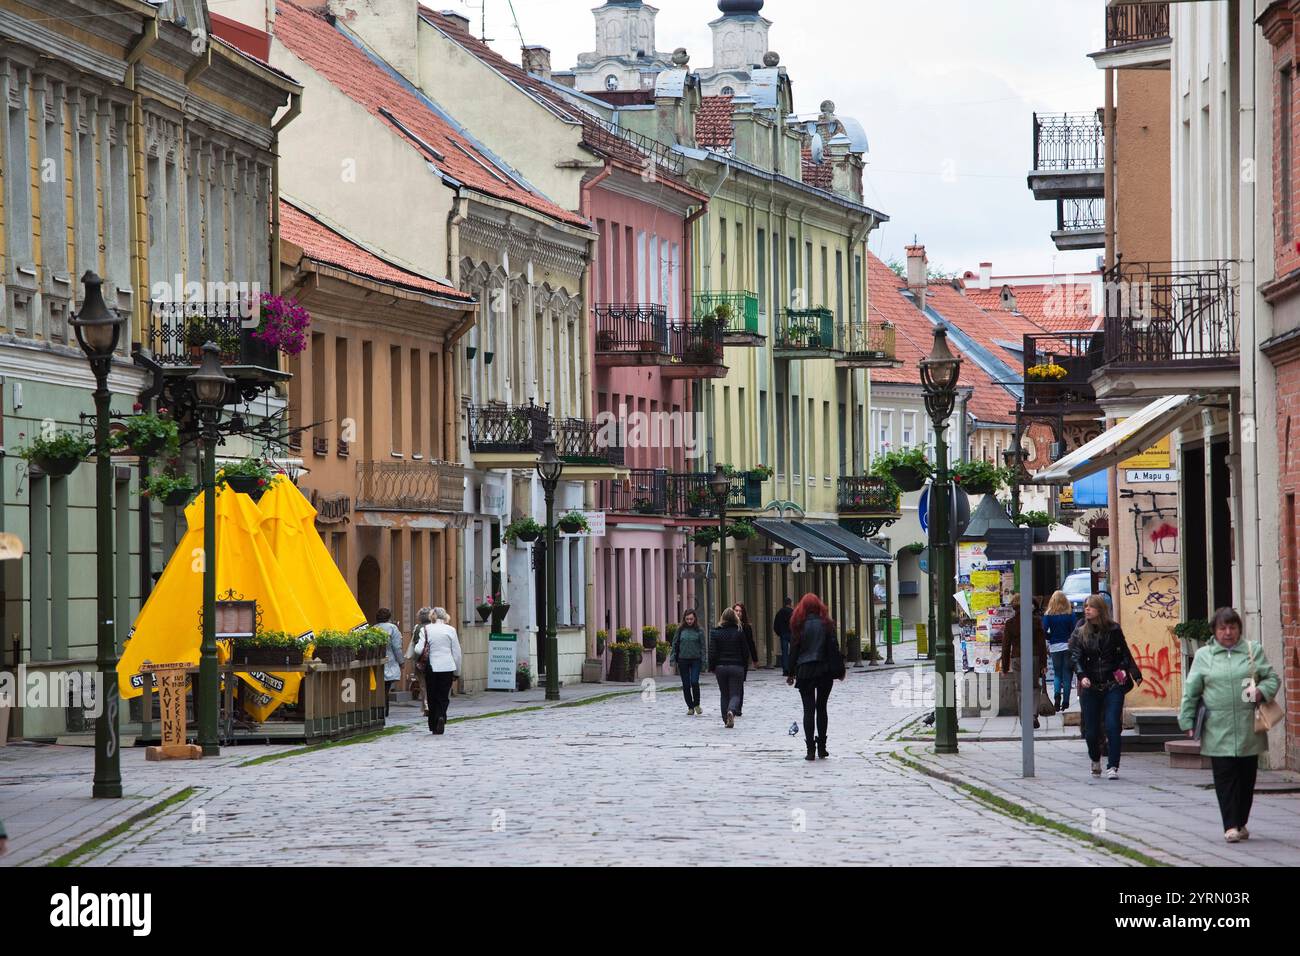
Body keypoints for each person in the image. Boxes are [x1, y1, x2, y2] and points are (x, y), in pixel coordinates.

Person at [1178, 608, 1281, 843]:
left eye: (1232, 628)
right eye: (1223, 628)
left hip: (1248, 728)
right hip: (1217, 728)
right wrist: (1187, 720)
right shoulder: (1204, 655)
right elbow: (1191, 690)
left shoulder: (1252, 650)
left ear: (1239, 629)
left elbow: (1271, 678)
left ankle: (1241, 821)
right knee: (1224, 779)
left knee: (1246, 781)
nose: (1228, 632)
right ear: (1214, 631)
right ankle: (1231, 826)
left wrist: (1261, 692)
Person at [1069, 594, 1142, 779]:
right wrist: (1082, 675)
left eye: (1091, 607)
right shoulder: (1080, 631)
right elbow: (1075, 656)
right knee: (1091, 731)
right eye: (1086, 606)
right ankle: (1095, 759)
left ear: (1100, 610)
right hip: (1091, 686)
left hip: (1112, 684)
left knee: (1112, 725)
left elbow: (1124, 654)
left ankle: (1113, 766)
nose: (1086, 609)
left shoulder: (1114, 630)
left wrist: (1125, 669)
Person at [786, 593, 844, 760]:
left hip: (804, 670)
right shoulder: (827, 624)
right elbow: (834, 648)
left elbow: (794, 651)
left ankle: (810, 750)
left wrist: (790, 673)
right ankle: (822, 747)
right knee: (822, 708)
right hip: (824, 669)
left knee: (808, 710)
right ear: (819, 607)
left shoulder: (798, 625)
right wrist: (838, 669)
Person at [412, 606, 462, 735]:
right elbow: (457, 653)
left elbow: (418, 649)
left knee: (432, 693)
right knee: (443, 695)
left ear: (432, 616)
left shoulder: (426, 629)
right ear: (445, 616)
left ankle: (433, 723)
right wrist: (457, 671)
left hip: (431, 666)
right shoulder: (451, 630)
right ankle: (441, 716)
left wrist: (418, 656)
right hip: (447, 666)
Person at [1001, 593, 1048, 729]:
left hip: (1017, 658)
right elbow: (1041, 644)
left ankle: (1024, 717)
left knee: (1021, 688)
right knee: (1034, 687)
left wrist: (1004, 666)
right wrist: (1043, 663)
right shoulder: (1036, 621)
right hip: (1034, 657)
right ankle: (1033, 714)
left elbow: (1006, 646)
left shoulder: (1010, 623)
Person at [709, 608, 749, 728]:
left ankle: (725, 719)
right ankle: (731, 710)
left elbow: (712, 652)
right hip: (737, 666)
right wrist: (744, 666)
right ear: (735, 618)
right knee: (735, 694)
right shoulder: (739, 631)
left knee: (724, 694)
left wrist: (712, 667)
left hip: (720, 667)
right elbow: (745, 652)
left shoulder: (715, 632)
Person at [1041, 590, 1076, 713]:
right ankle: (1066, 701)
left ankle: (1056, 697)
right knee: (1067, 674)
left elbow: (1043, 631)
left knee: (1057, 673)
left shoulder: (1048, 615)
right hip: (1068, 646)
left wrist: (1051, 638)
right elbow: (1074, 631)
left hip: (1055, 646)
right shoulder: (1070, 614)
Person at [669, 609, 705, 716]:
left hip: (696, 659)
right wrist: (672, 658)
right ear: (684, 619)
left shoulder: (699, 630)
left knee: (694, 681)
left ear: (695, 619)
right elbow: (675, 644)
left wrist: (704, 660)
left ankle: (697, 704)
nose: (689, 621)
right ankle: (690, 707)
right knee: (686, 684)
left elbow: (703, 646)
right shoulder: (680, 630)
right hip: (683, 659)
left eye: (691, 619)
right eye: (687, 619)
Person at [375, 608, 404, 717]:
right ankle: (384, 710)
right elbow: (397, 647)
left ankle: (381, 710)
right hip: (389, 660)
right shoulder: (392, 628)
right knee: (385, 688)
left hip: (377, 661)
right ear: (388, 617)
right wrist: (401, 661)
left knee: (380, 688)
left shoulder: (374, 628)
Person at [732, 603, 759, 715]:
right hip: (731, 657)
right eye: (736, 611)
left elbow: (751, 643)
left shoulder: (746, 627)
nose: (738, 613)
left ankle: (738, 707)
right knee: (732, 683)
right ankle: (732, 705)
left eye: (740, 611)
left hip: (743, 658)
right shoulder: (729, 626)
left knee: (740, 683)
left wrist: (755, 659)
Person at [773, 598, 794, 672]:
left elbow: (775, 625)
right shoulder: (792, 612)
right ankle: (792, 668)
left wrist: (779, 633)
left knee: (784, 652)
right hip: (792, 634)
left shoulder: (779, 612)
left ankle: (785, 669)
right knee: (793, 651)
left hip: (783, 634)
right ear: (790, 603)